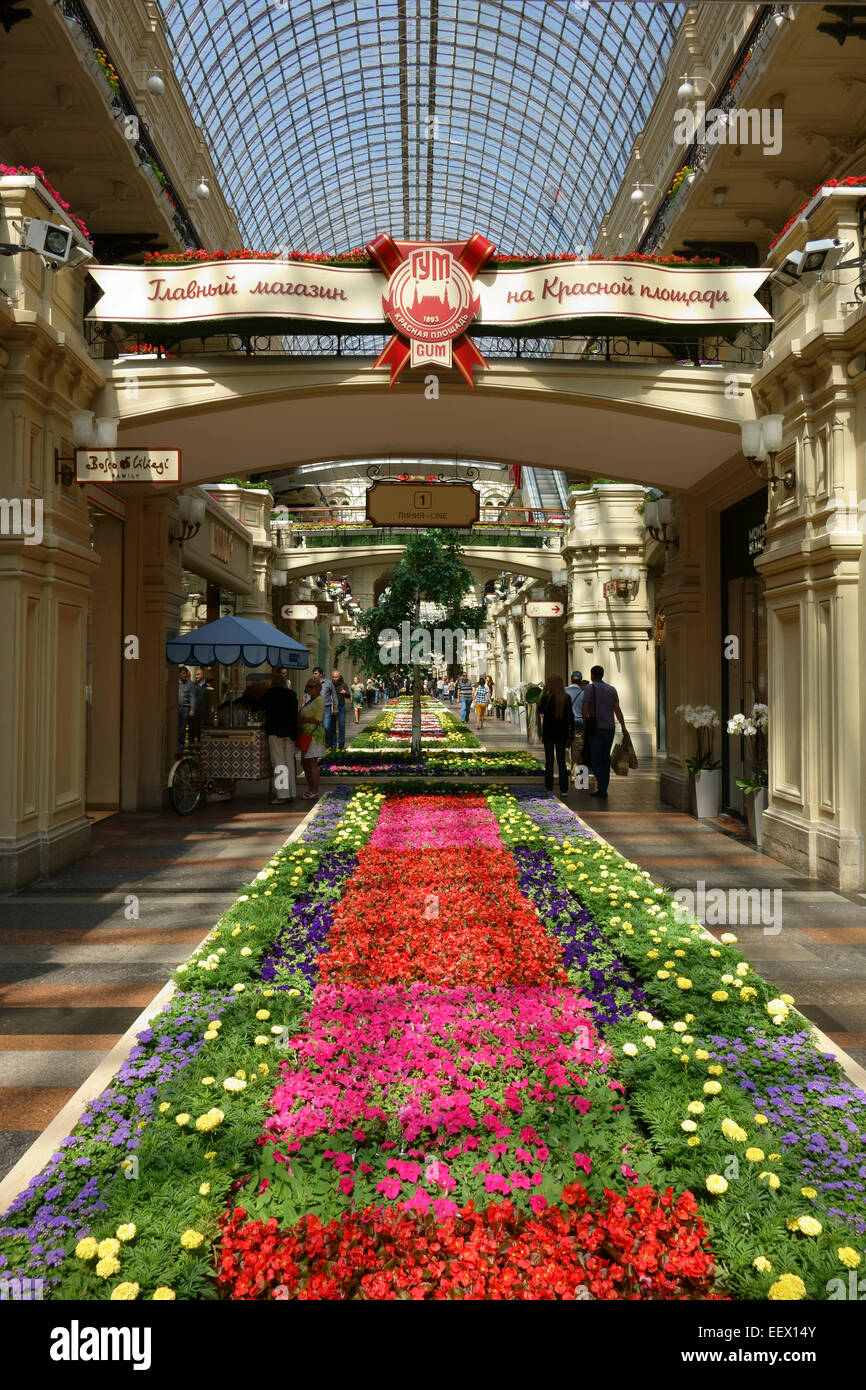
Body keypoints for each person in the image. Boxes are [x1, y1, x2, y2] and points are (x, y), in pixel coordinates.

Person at [580, 664, 627, 799]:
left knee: (595, 758)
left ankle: (601, 786)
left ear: (592, 675)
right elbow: (617, 709)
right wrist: (623, 726)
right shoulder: (612, 689)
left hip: (595, 727)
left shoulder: (590, 688)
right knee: (605, 757)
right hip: (609, 727)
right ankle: (604, 787)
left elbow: (585, 707)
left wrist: (584, 722)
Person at [261, 672, 298, 803]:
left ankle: (282, 795)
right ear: (284, 683)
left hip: (275, 731)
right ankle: (292, 792)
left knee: (279, 763)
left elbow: (261, 707)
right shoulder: (292, 694)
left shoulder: (269, 694)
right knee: (289, 762)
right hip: (291, 733)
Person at [538, 674, 576, 795]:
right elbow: (571, 716)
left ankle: (548, 786)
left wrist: (543, 693)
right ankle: (564, 788)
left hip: (549, 733)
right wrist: (572, 732)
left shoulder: (546, 697)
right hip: (562, 733)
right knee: (561, 761)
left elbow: (540, 710)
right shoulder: (567, 698)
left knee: (549, 760)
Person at [297, 676, 326, 799]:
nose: (309, 689)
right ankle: (311, 789)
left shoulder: (319, 700)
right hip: (306, 735)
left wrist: (303, 720)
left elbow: (318, 719)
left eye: (311, 687)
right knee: (304, 763)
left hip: (314, 736)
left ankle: (314, 790)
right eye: (307, 687)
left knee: (312, 763)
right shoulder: (310, 699)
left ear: (318, 688)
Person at [313, 666, 339, 751]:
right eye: (313, 673)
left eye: (316, 673)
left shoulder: (328, 683)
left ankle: (328, 746)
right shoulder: (312, 683)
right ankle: (321, 746)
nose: (314, 675)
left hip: (326, 708)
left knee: (327, 727)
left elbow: (334, 695)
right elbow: (308, 695)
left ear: (321, 674)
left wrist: (335, 707)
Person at [331, 668, 350, 749]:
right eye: (333, 677)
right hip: (332, 707)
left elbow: (349, 695)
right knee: (332, 727)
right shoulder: (329, 684)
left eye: (335, 677)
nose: (334, 679)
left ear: (339, 677)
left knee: (341, 725)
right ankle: (333, 745)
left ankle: (341, 745)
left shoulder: (343, 685)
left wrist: (345, 693)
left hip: (341, 707)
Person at [177, 667, 194, 754]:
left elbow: (192, 698)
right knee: (175, 729)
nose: (185, 675)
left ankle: (180, 750)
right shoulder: (174, 683)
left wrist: (192, 709)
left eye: (186, 673)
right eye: (183, 673)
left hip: (185, 708)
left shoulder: (190, 684)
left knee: (182, 730)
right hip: (175, 708)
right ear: (179, 674)